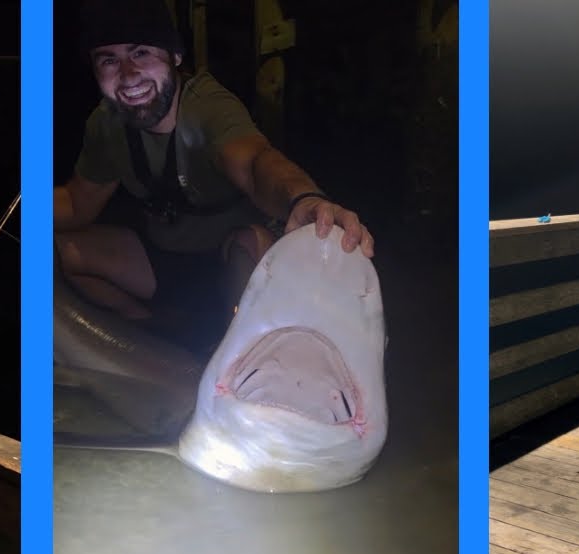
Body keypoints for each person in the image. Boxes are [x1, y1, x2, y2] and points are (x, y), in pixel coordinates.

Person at [55, 0, 376, 343]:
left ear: (175, 56)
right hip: (163, 261)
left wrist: (303, 199)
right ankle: (154, 329)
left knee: (249, 244)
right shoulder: (106, 123)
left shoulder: (207, 106)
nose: (128, 74)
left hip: (229, 262)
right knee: (56, 251)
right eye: (108, 60)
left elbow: (255, 164)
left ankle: (238, 350)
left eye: (141, 53)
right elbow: (76, 203)